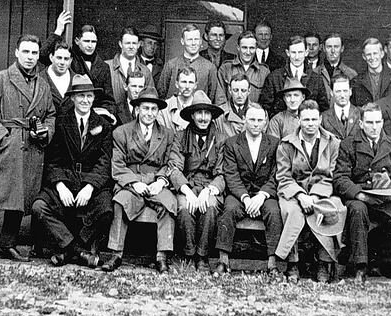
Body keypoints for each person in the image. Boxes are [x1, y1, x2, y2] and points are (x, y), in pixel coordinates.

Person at [0, 34, 56, 264]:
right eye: (25, 52)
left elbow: (51, 114)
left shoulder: (43, 84)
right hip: (6, 146)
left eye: (34, 53)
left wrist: (45, 131)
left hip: (31, 146)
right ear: (16, 52)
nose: (30, 57)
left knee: (19, 199)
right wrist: (2, 137)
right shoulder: (0, 79)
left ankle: (7, 245)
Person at [32, 75, 114, 268]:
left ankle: (68, 250)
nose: (85, 100)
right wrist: (60, 186)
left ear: (94, 99)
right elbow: (52, 159)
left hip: (90, 183)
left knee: (106, 210)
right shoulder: (61, 123)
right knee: (39, 207)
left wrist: (90, 187)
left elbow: (104, 162)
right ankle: (78, 251)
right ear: (72, 99)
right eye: (81, 96)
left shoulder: (103, 125)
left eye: (89, 96)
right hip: (66, 180)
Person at [100, 87, 183, 273]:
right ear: (137, 109)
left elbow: (174, 161)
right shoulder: (122, 132)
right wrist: (133, 183)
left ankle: (162, 256)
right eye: (145, 108)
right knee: (120, 202)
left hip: (156, 182)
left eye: (154, 109)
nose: (149, 113)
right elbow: (117, 163)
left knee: (169, 204)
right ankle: (116, 254)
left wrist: (161, 181)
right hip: (131, 182)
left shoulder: (168, 134)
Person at [334, 102, 391, 291]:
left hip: (386, 198)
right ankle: (360, 267)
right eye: (369, 122)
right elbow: (340, 178)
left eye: (378, 122)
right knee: (358, 212)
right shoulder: (348, 145)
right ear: (361, 123)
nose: (374, 126)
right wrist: (359, 195)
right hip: (360, 197)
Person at [275, 100, 343, 283]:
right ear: (299, 120)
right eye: (306, 120)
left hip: (321, 192)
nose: (310, 124)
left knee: (330, 209)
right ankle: (292, 264)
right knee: (292, 212)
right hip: (293, 192)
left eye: (314, 119)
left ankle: (323, 262)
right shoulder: (286, 144)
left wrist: (314, 196)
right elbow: (283, 176)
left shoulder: (332, 143)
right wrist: (300, 195)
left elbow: (331, 175)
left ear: (320, 119)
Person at [214, 106, 282, 276]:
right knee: (228, 209)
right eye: (252, 120)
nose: (255, 124)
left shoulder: (274, 144)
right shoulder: (232, 143)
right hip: (239, 194)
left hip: (264, 194)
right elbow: (231, 175)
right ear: (244, 120)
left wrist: (262, 195)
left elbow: (276, 174)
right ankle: (223, 260)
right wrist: (245, 198)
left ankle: (272, 263)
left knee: (274, 212)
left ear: (265, 123)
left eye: (260, 120)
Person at [170, 91, 226, 270]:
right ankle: (188, 253)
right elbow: (174, 167)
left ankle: (202, 255)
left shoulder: (221, 139)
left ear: (211, 116)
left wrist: (208, 190)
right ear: (192, 115)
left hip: (210, 186)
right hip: (187, 184)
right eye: (199, 113)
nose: (203, 118)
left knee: (209, 207)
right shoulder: (180, 137)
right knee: (185, 208)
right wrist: (187, 191)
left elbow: (223, 172)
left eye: (207, 113)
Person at [40, 11, 116, 118]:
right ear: (77, 41)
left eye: (93, 42)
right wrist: (59, 30)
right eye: (86, 41)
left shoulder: (103, 67)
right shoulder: (70, 60)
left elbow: (108, 99)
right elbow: (43, 56)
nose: (90, 45)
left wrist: (103, 114)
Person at [260, 35, 329, 117]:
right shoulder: (274, 77)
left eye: (300, 52)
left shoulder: (316, 78)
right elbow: (266, 108)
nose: (297, 57)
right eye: (293, 52)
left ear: (306, 52)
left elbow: (323, 108)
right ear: (287, 53)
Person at [158, 24, 221, 104]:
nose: (193, 43)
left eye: (196, 39)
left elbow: (212, 95)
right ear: (182, 41)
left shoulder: (210, 67)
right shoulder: (171, 65)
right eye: (190, 40)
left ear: (200, 41)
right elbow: (161, 93)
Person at [217, 31, 271, 105]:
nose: (248, 52)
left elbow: (266, 102)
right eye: (244, 48)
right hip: (230, 115)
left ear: (256, 48)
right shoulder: (226, 68)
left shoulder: (264, 72)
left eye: (251, 48)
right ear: (238, 48)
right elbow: (220, 99)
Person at [107, 27, 155, 107]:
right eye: (127, 43)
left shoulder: (145, 71)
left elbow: (150, 98)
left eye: (134, 43)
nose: (131, 47)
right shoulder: (107, 67)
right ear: (120, 44)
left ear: (139, 45)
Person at [312, 33, 358, 105]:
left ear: (342, 49)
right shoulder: (315, 73)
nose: (333, 51)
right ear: (323, 48)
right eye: (329, 47)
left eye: (336, 47)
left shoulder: (351, 74)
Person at [350, 38, 391, 107]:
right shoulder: (356, 82)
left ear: (382, 54)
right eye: (368, 54)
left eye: (375, 53)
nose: (372, 57)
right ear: (364, 56)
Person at [320, 75, 360, 140]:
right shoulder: (324, 117)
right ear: (331, 93)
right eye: (338, 91)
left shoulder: (359, 113)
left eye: (345, 91)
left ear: (350, 92)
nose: (342, 95)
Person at [216, 73, 254, 138]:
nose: (239, 95)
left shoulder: (258, 113)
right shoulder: (219, 114)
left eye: (243, 91)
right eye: (235, 90)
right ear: (230, 90)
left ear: (249, 90)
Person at [159, 66, 198, 131]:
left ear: (195, 85)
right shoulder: (164, 109)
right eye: (184, 82)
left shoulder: (201, 108)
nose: (187, 86)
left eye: (191, 82)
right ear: (177, 84)